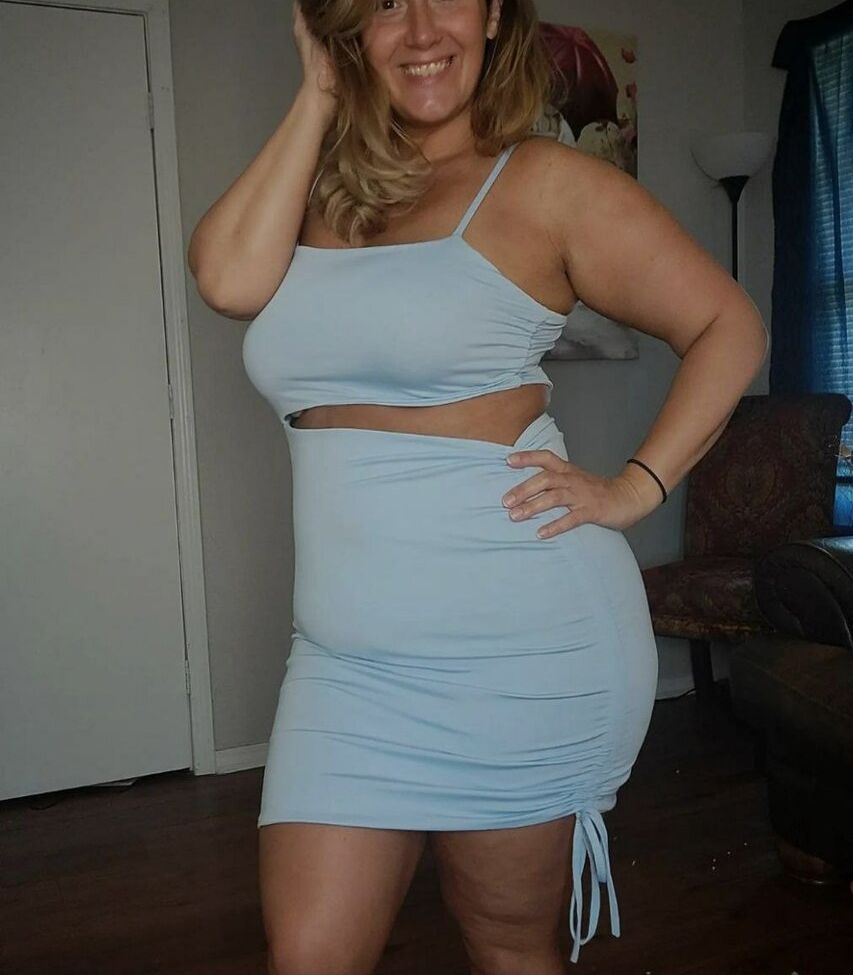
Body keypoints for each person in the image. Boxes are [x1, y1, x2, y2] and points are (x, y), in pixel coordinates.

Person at [188, 1, 769, 972]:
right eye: (383, 3)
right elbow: (226, 281)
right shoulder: (322, 194)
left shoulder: (544, 184)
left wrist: (636, 488)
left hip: (519, 649)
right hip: (343, 664)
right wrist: (320, 89)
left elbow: (728, 324)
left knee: (505, 944)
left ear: (495, 13)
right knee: (308, 955)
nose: (420, 29)